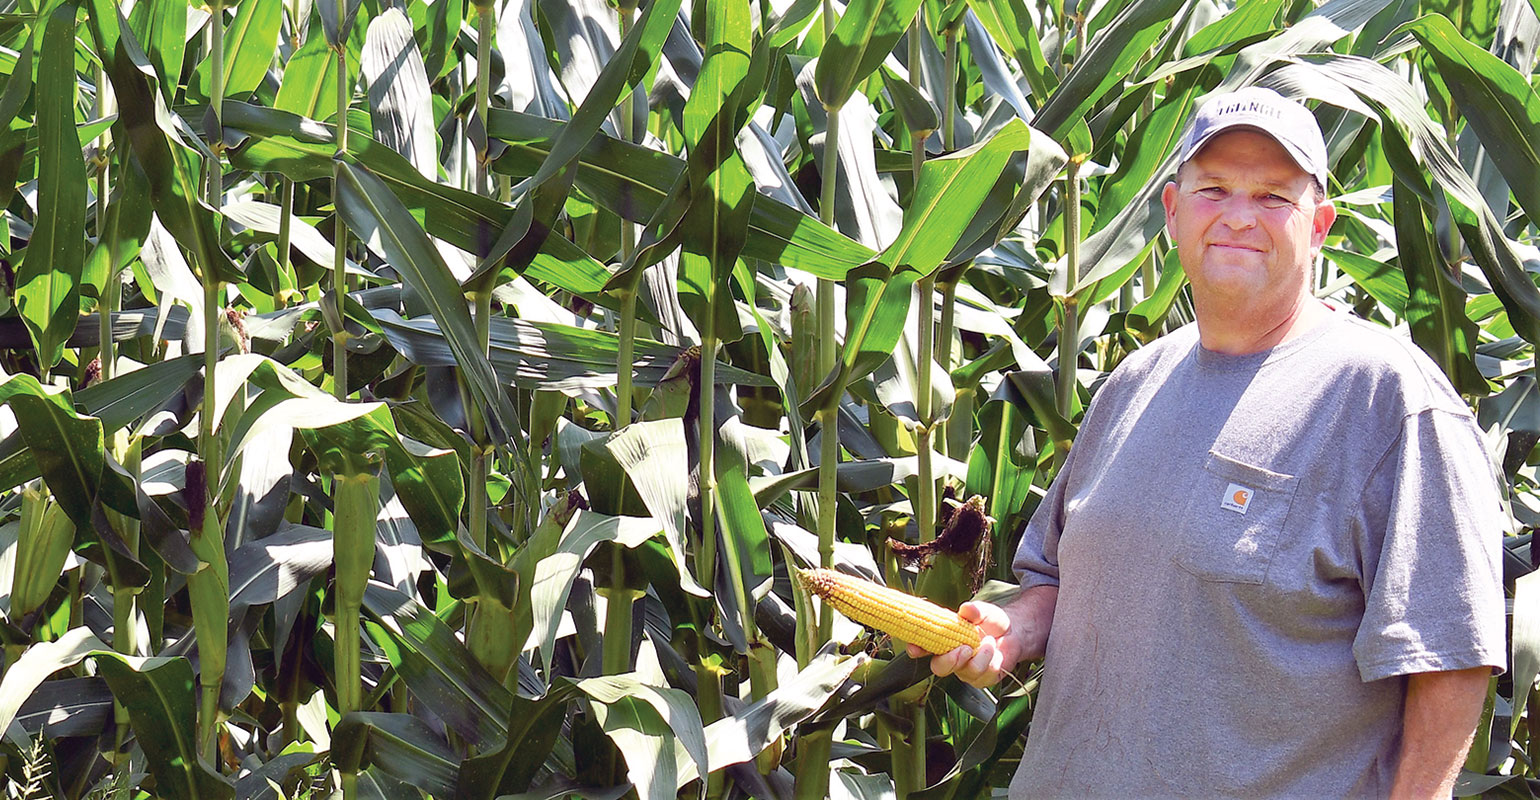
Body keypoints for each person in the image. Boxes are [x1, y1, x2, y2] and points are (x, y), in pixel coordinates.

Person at [911, 86, 1506, 797]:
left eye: (1273, 197)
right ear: (1171, 211)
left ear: (1319, 225)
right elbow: (1059, 581)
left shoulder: (1387, 399)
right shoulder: (1134, 384)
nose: (1238, 216)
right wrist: (1010, 630)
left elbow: (1449, 656)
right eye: (1214, 189)